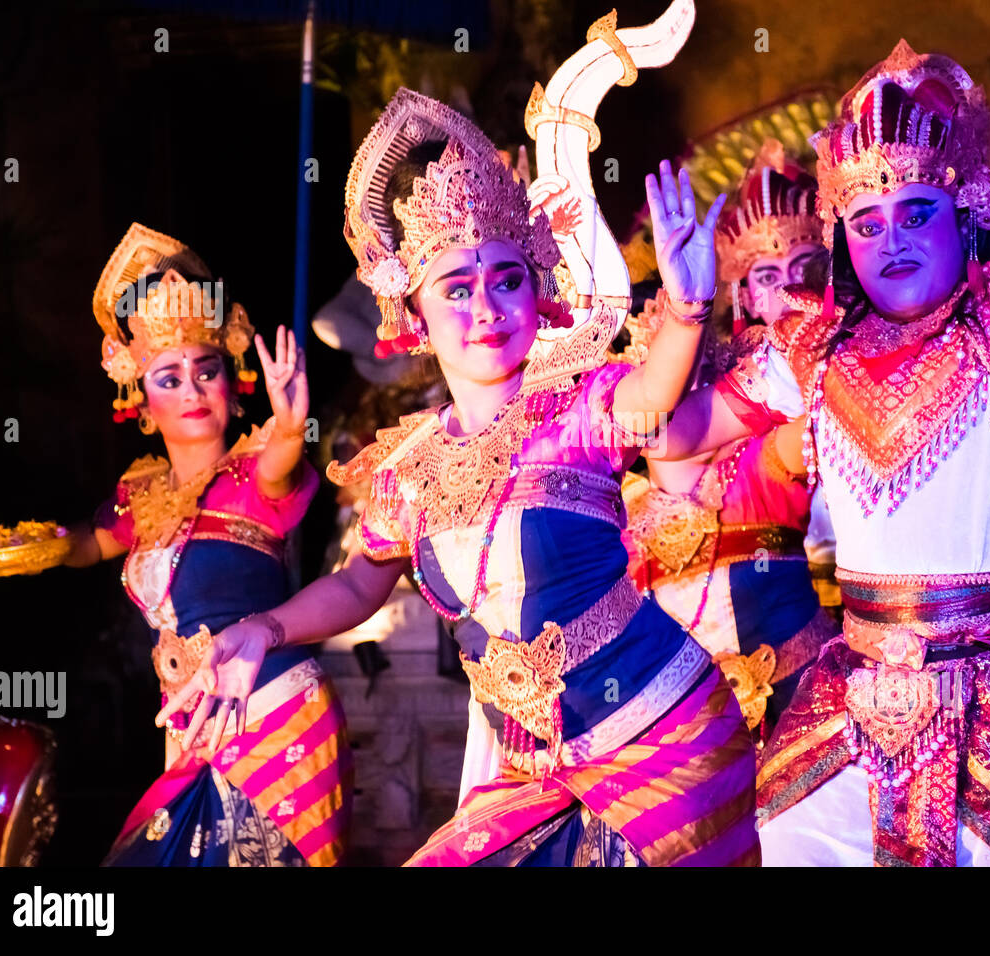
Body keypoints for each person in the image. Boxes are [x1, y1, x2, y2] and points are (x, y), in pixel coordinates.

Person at [159, 89, 759, 867]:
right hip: (536, 771)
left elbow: (652, 397)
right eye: (456, 288)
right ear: (413, 315)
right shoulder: (405, 471)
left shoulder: (577, 412)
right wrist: (262, 628)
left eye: (507, 279)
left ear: (535, 295)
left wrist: (685, 308)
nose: (487, 306)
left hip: (661, 742)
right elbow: (356, 587)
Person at [646, 40, 990, 866]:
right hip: (857, 687)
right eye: (866, 222)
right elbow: (669, 435)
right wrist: (685, 313)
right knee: (793, 838)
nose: (890, 239)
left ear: (965, 210)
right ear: (843, 238)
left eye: (916, 213)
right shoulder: (813, 349)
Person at [59, 223, 350, 865]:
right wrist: (39, 546)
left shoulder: (253, 473)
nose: (190, 389)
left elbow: (282, 455)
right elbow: (86, 545)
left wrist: (294, 422)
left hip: (273, 720)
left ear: (230, 380)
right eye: (169, 377)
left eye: (206, 369)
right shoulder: (139, 495)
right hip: (192, 733)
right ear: (139, 394)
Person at [618, 144, 835, 743]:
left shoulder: (819, 384)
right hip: (671, 711)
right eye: (767, 276)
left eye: (807, 269)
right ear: (738, 289)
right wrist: (684, 313)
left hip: (799, 681)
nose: (789, 289)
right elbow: (659, 430)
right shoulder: (716, 389)